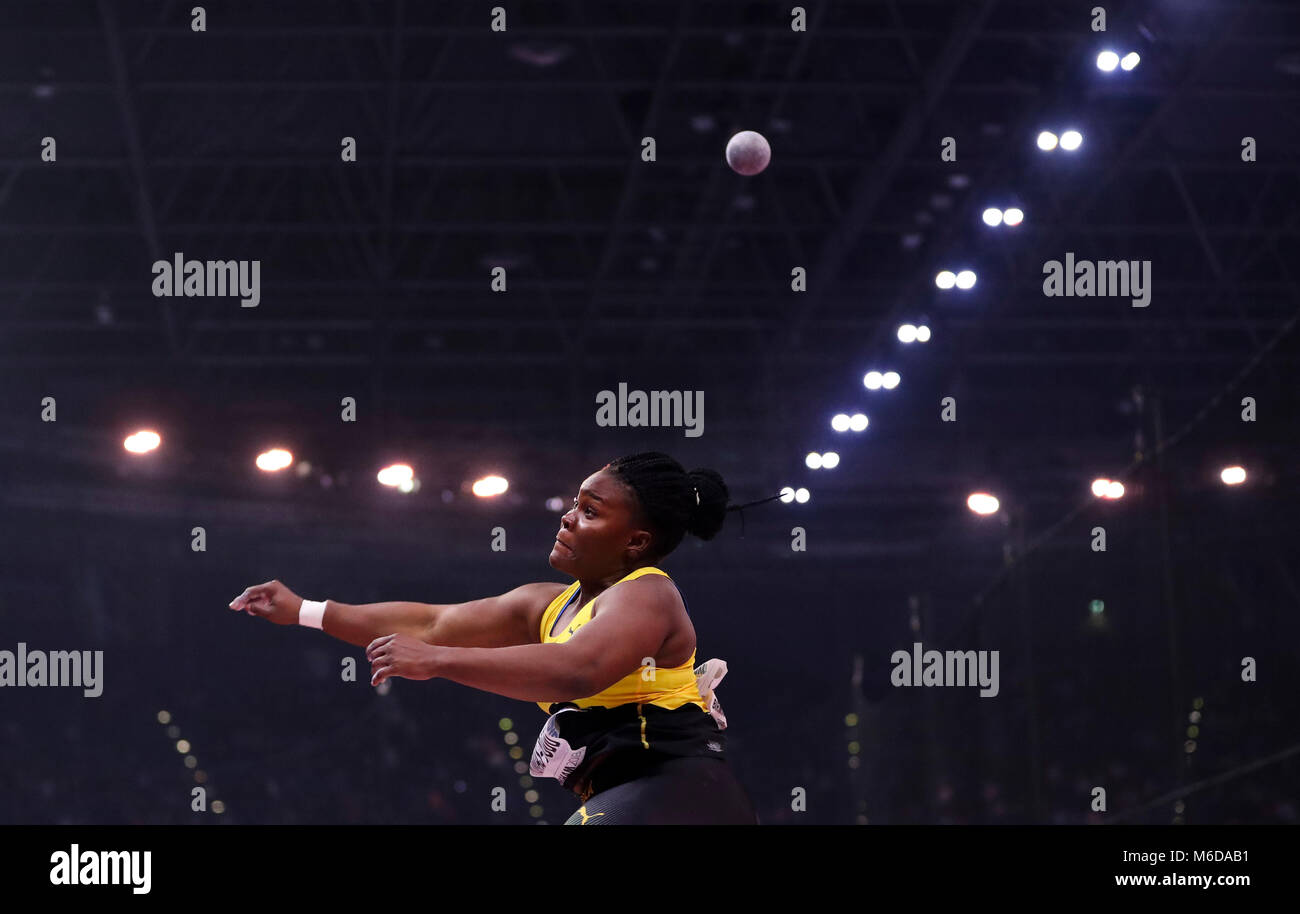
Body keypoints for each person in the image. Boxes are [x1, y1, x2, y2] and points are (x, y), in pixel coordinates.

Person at [229, 451, 761, 824]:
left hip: (683, 796)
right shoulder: (545, 605)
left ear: (636, 541)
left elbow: (577, 668)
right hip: (630, 799)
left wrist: (438, 661)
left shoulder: (647, 592)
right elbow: (431, 622)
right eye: (574, 504)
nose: (569, 519)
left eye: (591, 512)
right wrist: (306, 610)